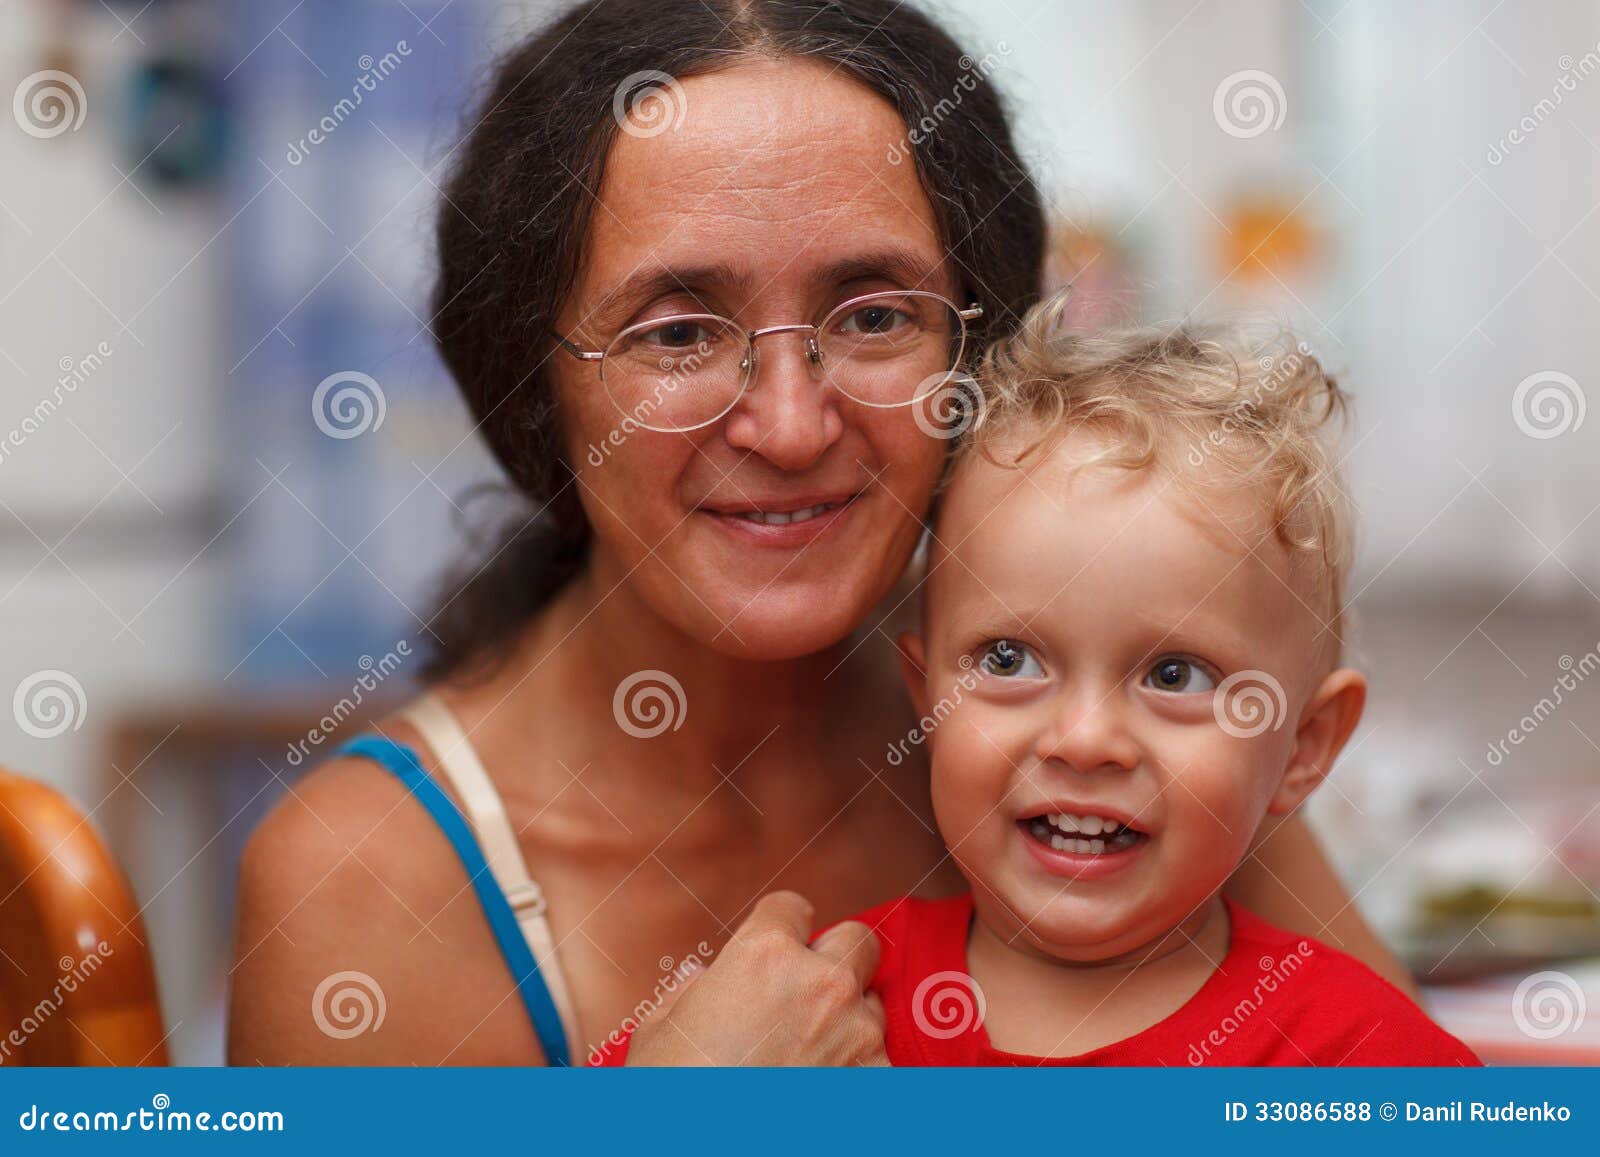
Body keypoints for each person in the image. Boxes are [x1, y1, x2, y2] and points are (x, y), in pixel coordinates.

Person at [228, 0, 1415, 1067]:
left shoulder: (1084, 724)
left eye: (876, 314)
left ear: (978, 358)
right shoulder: (370, 884)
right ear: (537, 383)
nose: (792, 425)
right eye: (677, 332)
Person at [850, 301, 1478, 1065]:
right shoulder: (834, 1011)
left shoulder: (1357, 1055)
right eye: (1009, 659)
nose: (1084, 740)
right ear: (927, 697)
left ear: (1305, 744)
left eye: (1174, 674)